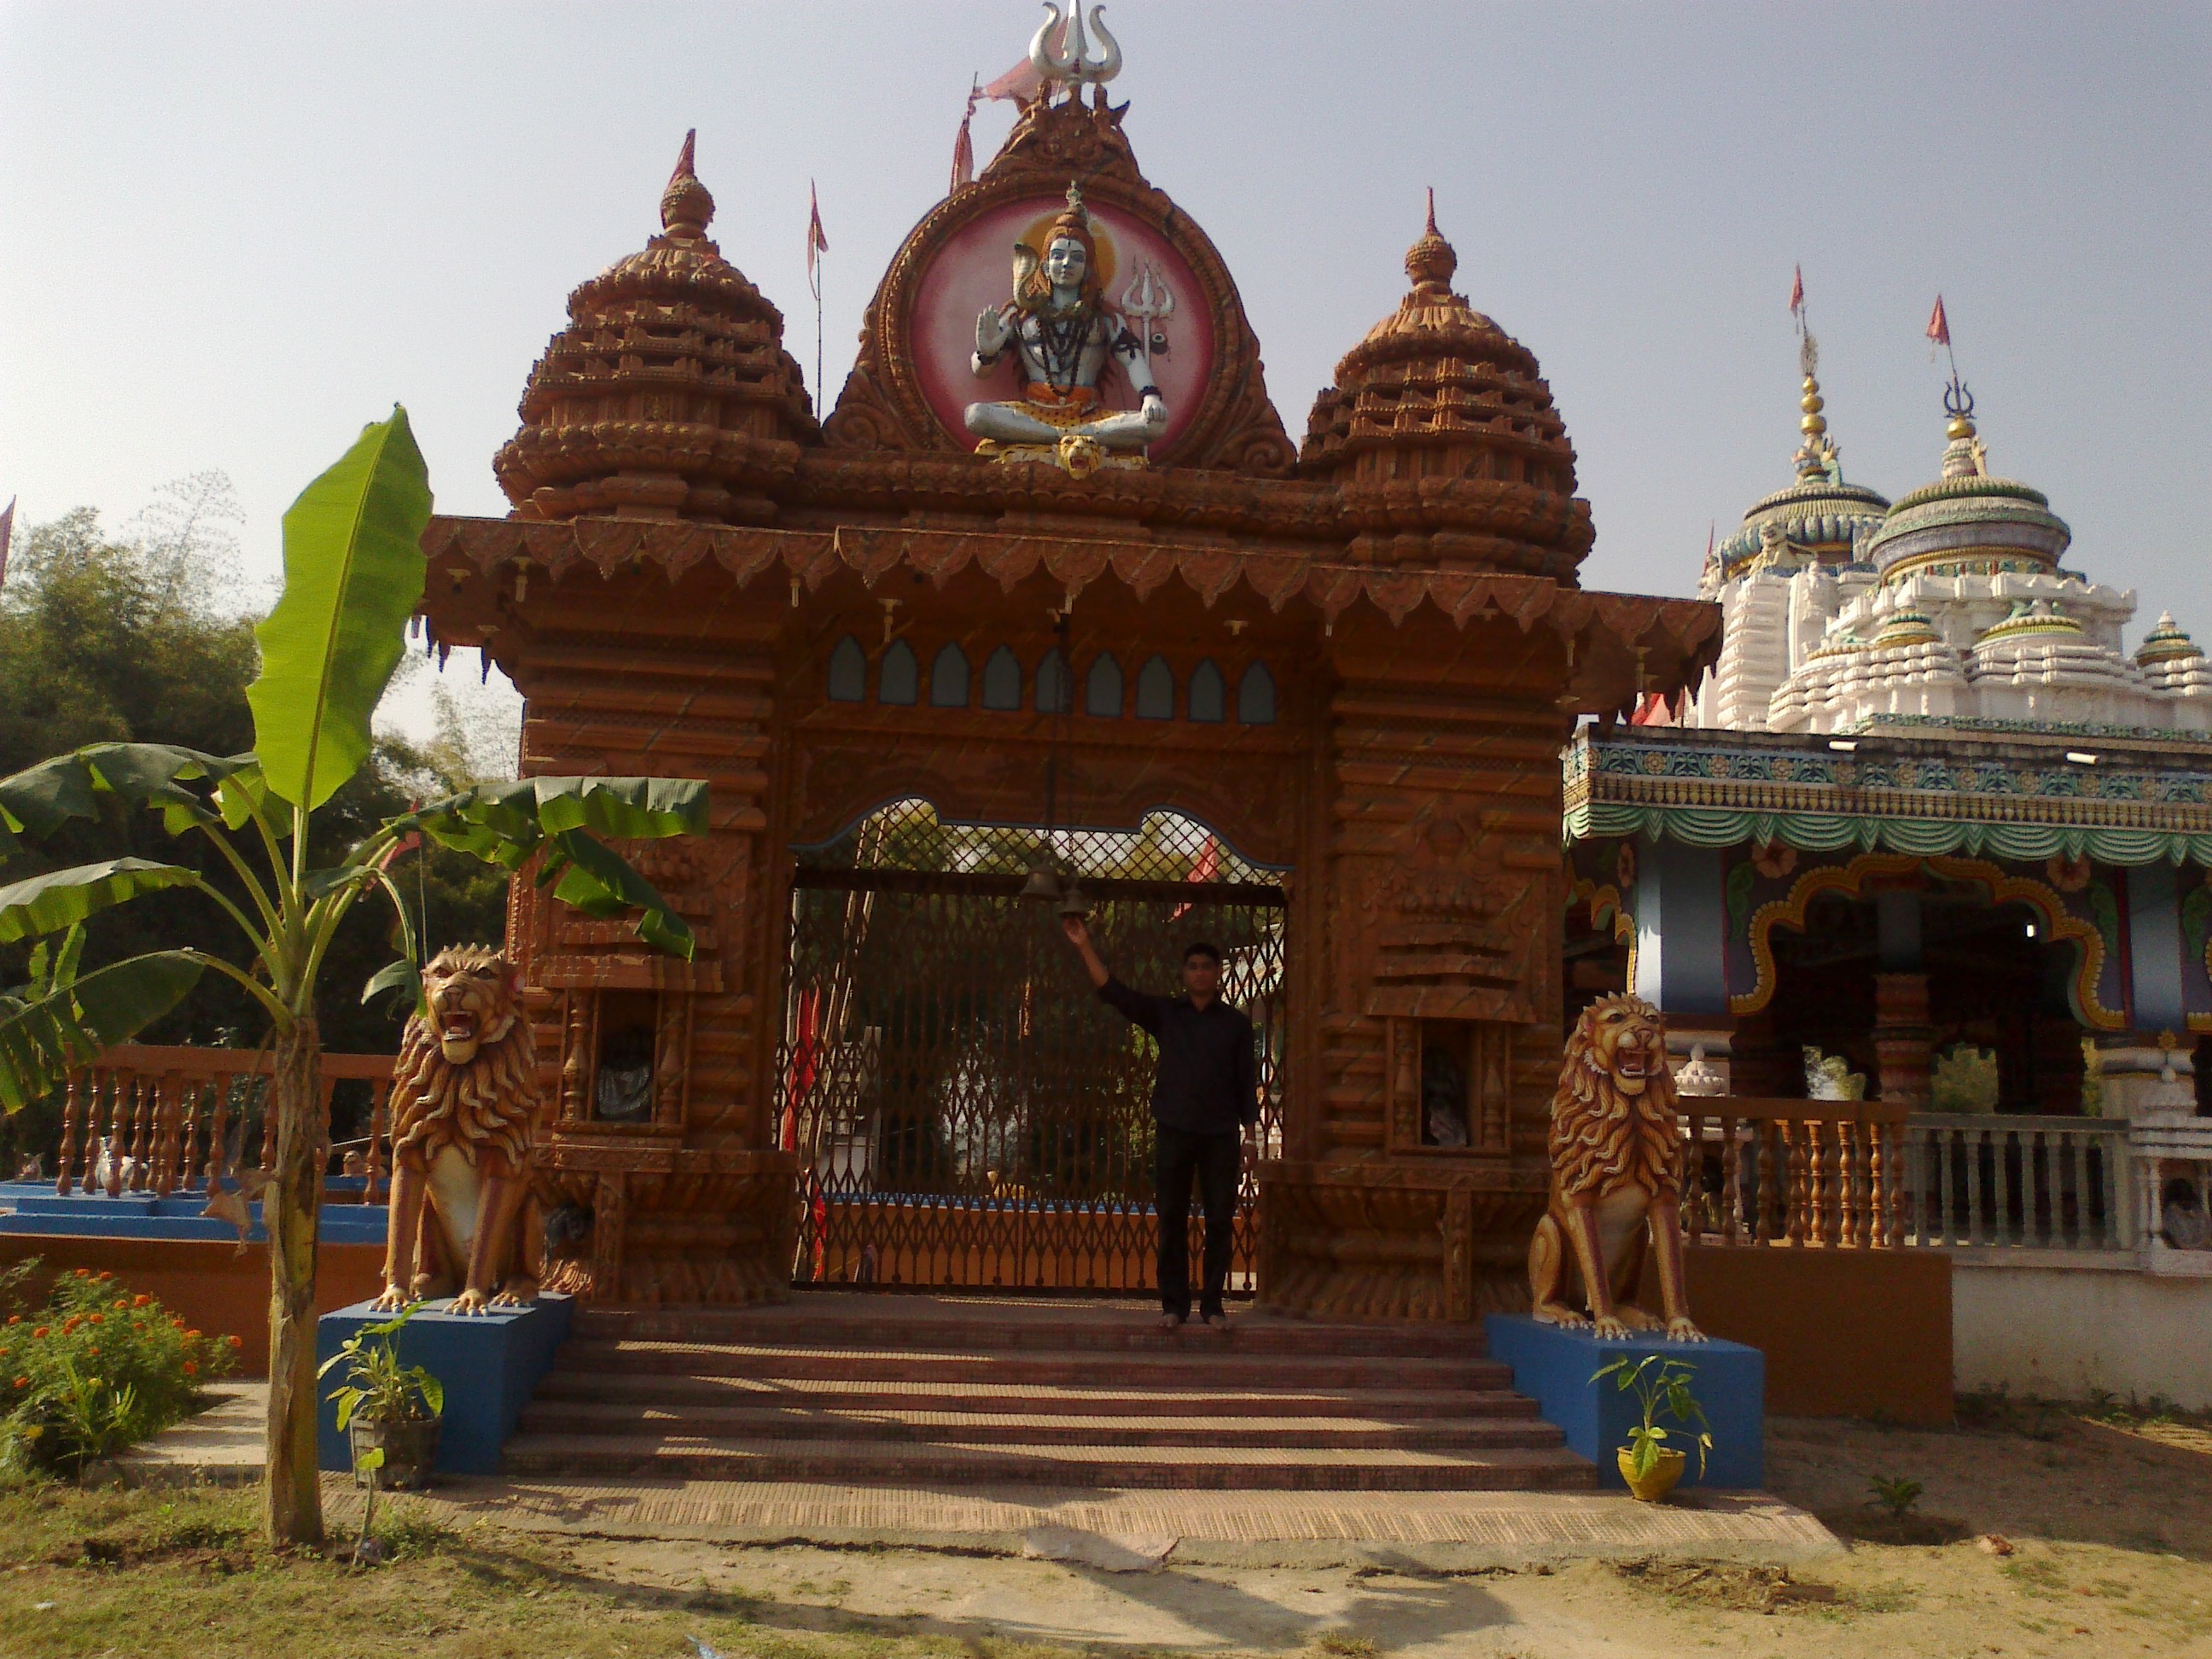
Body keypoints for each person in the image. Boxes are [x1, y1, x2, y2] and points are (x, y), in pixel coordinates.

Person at [1062, 916, 1256, 1330]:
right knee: (1172, 1217)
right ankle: (1174, 1306)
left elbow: (1246, 1082)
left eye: (1207, 966)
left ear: (1218, 974)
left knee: (1220, 1219)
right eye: (1193, 966)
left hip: (1220, 1134)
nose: (1200, 972)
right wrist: (1084, 946)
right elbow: (1114, 993)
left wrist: (1251, 1136)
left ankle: (1214, 1306)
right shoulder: (1167, 1013)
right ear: (1184, 974)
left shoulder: (1236, 1025)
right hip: (1174, 1128)